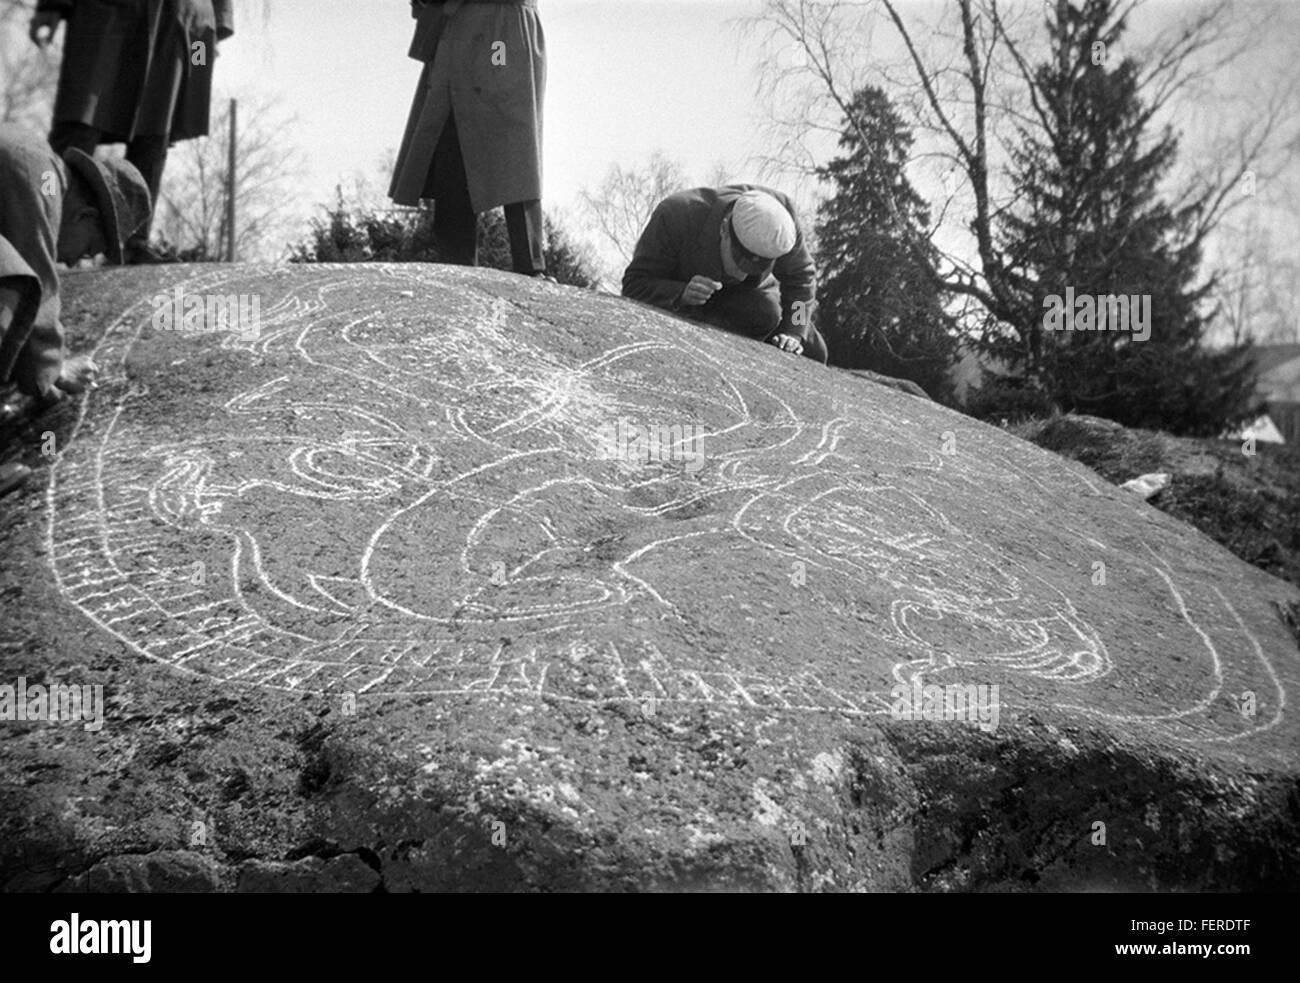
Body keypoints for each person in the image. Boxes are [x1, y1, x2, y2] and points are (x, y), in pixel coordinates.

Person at [29, 0, 235, 263]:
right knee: (80, 117)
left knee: (157, 130)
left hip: (185, 19)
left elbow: (208, 38)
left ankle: (134, 241)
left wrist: (215, 26)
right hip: (109, 13)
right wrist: (53, 5)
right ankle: (45, 226)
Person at [0, 123, 152, 417]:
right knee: (15, 278)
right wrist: (53, 366)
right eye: (87, 251)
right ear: (86, 216)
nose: (71, 263)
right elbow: (37, 273)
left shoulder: (36, 162)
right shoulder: (43, 177)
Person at [389, 0, 549, 277]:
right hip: (456, 38)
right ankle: (457, 263)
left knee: (514, 146)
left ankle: (530, 264)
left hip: (500, 38)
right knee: (450, 142)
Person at [622, 185, 829, 363]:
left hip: (752, 304)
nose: (741, 274)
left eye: (755, 268)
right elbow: (635, 283)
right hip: (687, 303)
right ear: (724, 229)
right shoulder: (676, 215)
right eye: (740, 261)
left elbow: (802, 281)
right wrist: (680, 293)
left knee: (813, 349)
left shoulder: (783, 224)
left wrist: (794, 330)